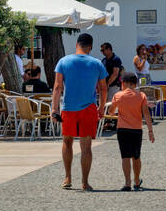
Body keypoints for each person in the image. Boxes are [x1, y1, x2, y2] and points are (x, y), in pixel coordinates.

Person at [53, 32, 108, 191]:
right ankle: (85, 182)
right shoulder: (97, 63)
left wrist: (54, 108)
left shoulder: (63, 61)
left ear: (77, 44)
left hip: (68, 108)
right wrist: (102, 107)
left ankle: (67, 177)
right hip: (88, 108)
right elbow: (103, 89)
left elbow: (57, 87)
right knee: (86, 146)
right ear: (90, 47)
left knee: (67, 141)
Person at [109, 72, 154, 191]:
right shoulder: (141, 96)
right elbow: (146, 114)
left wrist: (113, 110)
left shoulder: (118, 95)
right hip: (136, 130)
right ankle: (137, 179)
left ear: (123, 83)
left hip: (122, 129)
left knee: (125, 156)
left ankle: (127, 182)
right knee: (136, 156)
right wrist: (150, 131)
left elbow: (111, 111)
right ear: (135, 84)